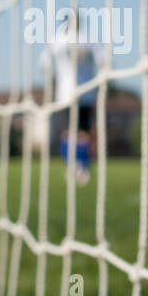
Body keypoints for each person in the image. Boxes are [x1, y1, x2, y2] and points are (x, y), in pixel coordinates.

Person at [41, 17, 102, 186]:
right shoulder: (87, 39)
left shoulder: (59, 39)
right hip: (83, 93)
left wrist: (53, 78)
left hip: (67, 94)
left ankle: (74, 166)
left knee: (72, 132)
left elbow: (44, 63)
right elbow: (103, 61)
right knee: (79, 133)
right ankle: (80, 167)